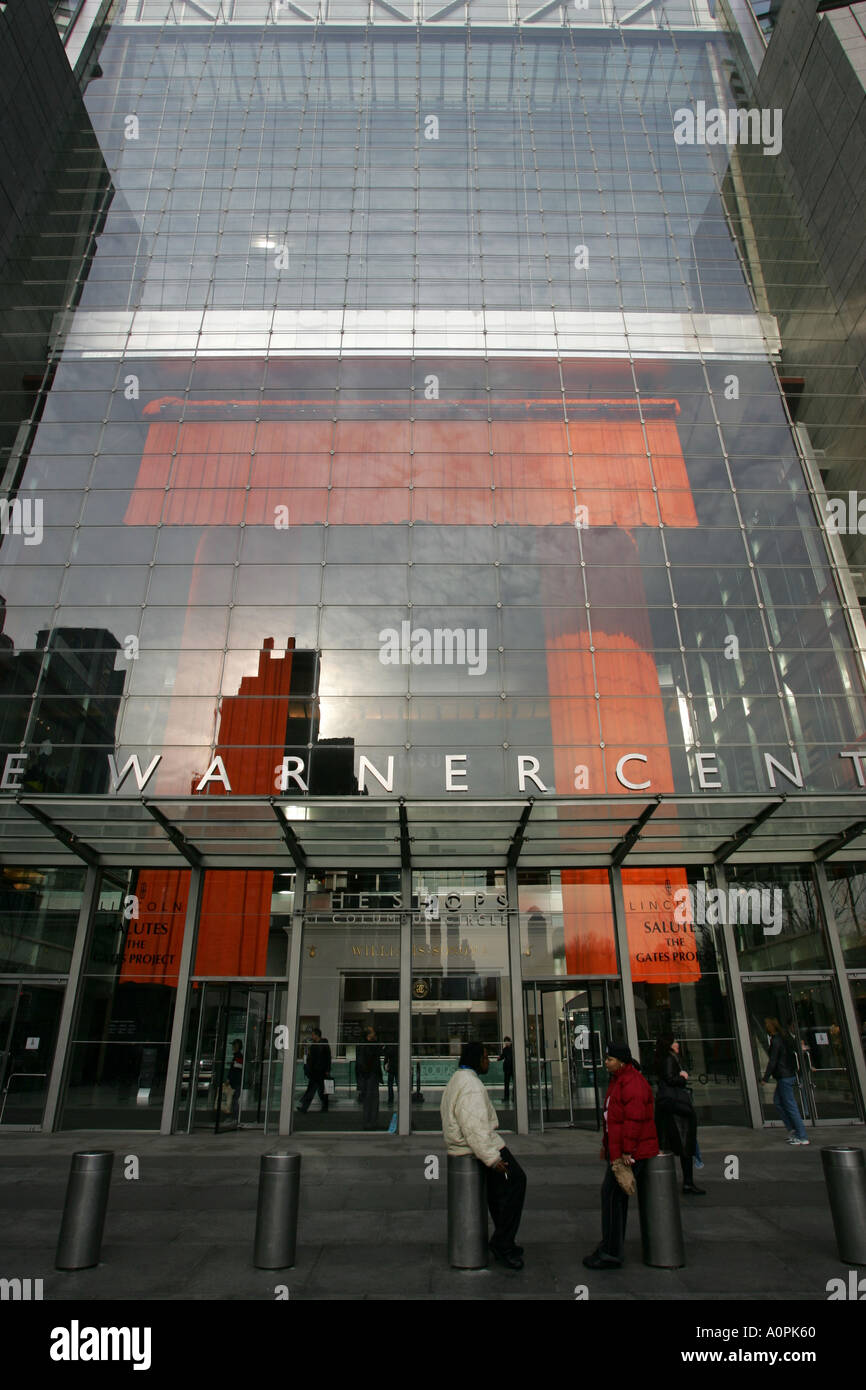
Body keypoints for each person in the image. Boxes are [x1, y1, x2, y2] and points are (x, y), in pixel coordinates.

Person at [441, 1041, 527, 1270]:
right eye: (486, 1057)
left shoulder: (459, 1080)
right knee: (516, 1181)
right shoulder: (471, 1086)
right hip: (479, 1147)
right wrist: (493, 1159)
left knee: (498, 1194)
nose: (489, 1061)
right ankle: (503, 1242)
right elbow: (474, 1127)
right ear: (477, 1059)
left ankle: (504, 1239)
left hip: (473, 1146)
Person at [583, 1041, 658, 1271]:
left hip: (629, 1154)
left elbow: (633, 1120)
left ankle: (611, 1251)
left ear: (621, 1061)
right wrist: (608, 1147)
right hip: (620, 1152)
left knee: (613, 1198)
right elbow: (613, 1119)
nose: (606, 1062)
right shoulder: (619, 1080)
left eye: (609, 1059)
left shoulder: (631, 1083)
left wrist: (626, 1151)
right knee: (611, 1196)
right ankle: (610, 1246)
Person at [654, 1034, 705, 1195]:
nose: (677, 1044)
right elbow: (670, 1079)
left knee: (674, 1144)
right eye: (675, 1042)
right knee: (685, 1144)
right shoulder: (669, 1059)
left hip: (670, 1103)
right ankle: (687, 1182)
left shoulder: (665, 1058)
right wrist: (682, 1077)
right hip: (675, 1104)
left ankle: (685, 1181)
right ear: (669, 1044)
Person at [763, 1017, 809, 1144]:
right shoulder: (783, 1038)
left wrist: (765, 1078)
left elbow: (773, 1061)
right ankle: (793, 1130)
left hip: (785, 1075)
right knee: (778, 1102)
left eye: (766, 1026)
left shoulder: (777, 1040)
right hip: (786, 1074)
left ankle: (802, 1136)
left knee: (790, 1105)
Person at [296, 1027, 332, 1114]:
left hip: (319, 1071)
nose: (312, 1036)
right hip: (317, 1071)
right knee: (317, 1090)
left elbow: (327, 1058)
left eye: (313, 1034)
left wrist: (327, 1069)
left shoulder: (321, 1045)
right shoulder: (316, 1045)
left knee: (314, 1090)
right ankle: (307, 1107)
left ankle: (305, 1106)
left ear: (316, 1035)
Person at [356, 1025, 383, 1130]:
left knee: (372, 1098)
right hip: (369, 1075)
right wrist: (365, 1074)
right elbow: (363, 1062)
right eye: (372, 1032)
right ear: (368, 1035)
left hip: (371, 1074)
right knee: (370, 1099)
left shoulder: (370, 1045)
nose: (374, 1034)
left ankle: (371, 1121)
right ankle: (370, 1122)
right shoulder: (366, 1046)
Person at [226, 1038, 243, 1124]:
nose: (232, 1047)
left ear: (237, 1046)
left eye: (234, 1045)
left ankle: (235, 1118)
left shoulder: (238, 1056)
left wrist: (229, 1078)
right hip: (235, 1081)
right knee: (233, 1099)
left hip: (236, 1081)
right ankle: (233, 1117)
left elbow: (237, 1068)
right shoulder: (236, 1056)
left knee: (234, 1099)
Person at [497, 1036, 514, 1104]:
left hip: (513, 1068)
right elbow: (503, 1056)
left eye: (507, 1042)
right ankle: (506, 1097)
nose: (506, 1043)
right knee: (506, 1084)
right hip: (507, 1069)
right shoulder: (505, 1049)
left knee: (514, 1084)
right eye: (505, 1042)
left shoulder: (513, 1048)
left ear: (510, 1041)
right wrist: (499, 1058)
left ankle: (514, 1097)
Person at [382, 1042, 398, 1106]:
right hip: (397, 1069)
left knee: (390, 1085)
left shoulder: (389, 1050)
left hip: (391, 1069)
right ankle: (401, 1098)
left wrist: (385, 1068)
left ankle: (391, 1099)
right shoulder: (398, 1049)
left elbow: (386, 1059)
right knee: (398, 1084)